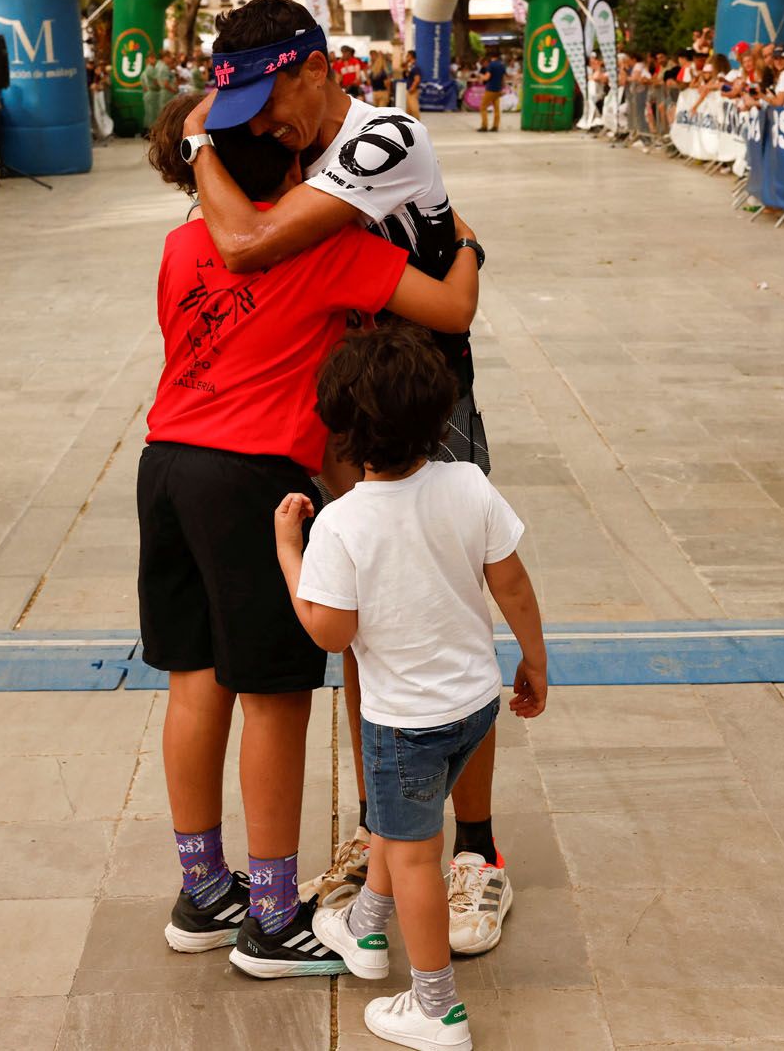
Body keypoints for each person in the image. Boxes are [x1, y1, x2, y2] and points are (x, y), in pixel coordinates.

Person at [183, 0, 517, 957]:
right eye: (236, 102)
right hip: (345, 415)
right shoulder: (295, 153)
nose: (258, 118)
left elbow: (247, 245)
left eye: (268, 95)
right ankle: (389, 842)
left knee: (449, 622)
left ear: (317, 67)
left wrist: (195, 141)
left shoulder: (380, 136)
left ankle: (478, 857)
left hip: (425, 408)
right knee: (365, 634)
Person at [274, 323, 549, 1051]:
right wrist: (535, 662)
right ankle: (364, 928)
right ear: (440, 415)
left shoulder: (342, 524)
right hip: (475, 705)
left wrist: (287, 554)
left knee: (414, 850)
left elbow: (330, 633)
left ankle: (436, 1008)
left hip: (403, 726)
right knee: (408, 828)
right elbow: (513, 584)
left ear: (339, 434)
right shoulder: (468, 483)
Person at [478, 49, 505, 132]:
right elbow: (503, 78)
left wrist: (481, 76)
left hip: (490, 89)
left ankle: (484, 126)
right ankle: (495, 126)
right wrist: (501, 88)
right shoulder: (502, 65)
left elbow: (487, 77)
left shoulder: (491, 65)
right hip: (498, 89)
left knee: (483, 107)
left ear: (491, 57)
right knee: (496, 108)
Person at [400, 52, 423, 119]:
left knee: (414, 109)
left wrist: (412, 88)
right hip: (409, 90)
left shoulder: (415, 67)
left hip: (412, 90)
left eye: (407, 56)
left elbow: (417, 79)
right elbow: (406, 75)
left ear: (411, 56)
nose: (406, 57)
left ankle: (418, 124)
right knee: (408, 110)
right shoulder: (410, 66)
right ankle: (409, 125)